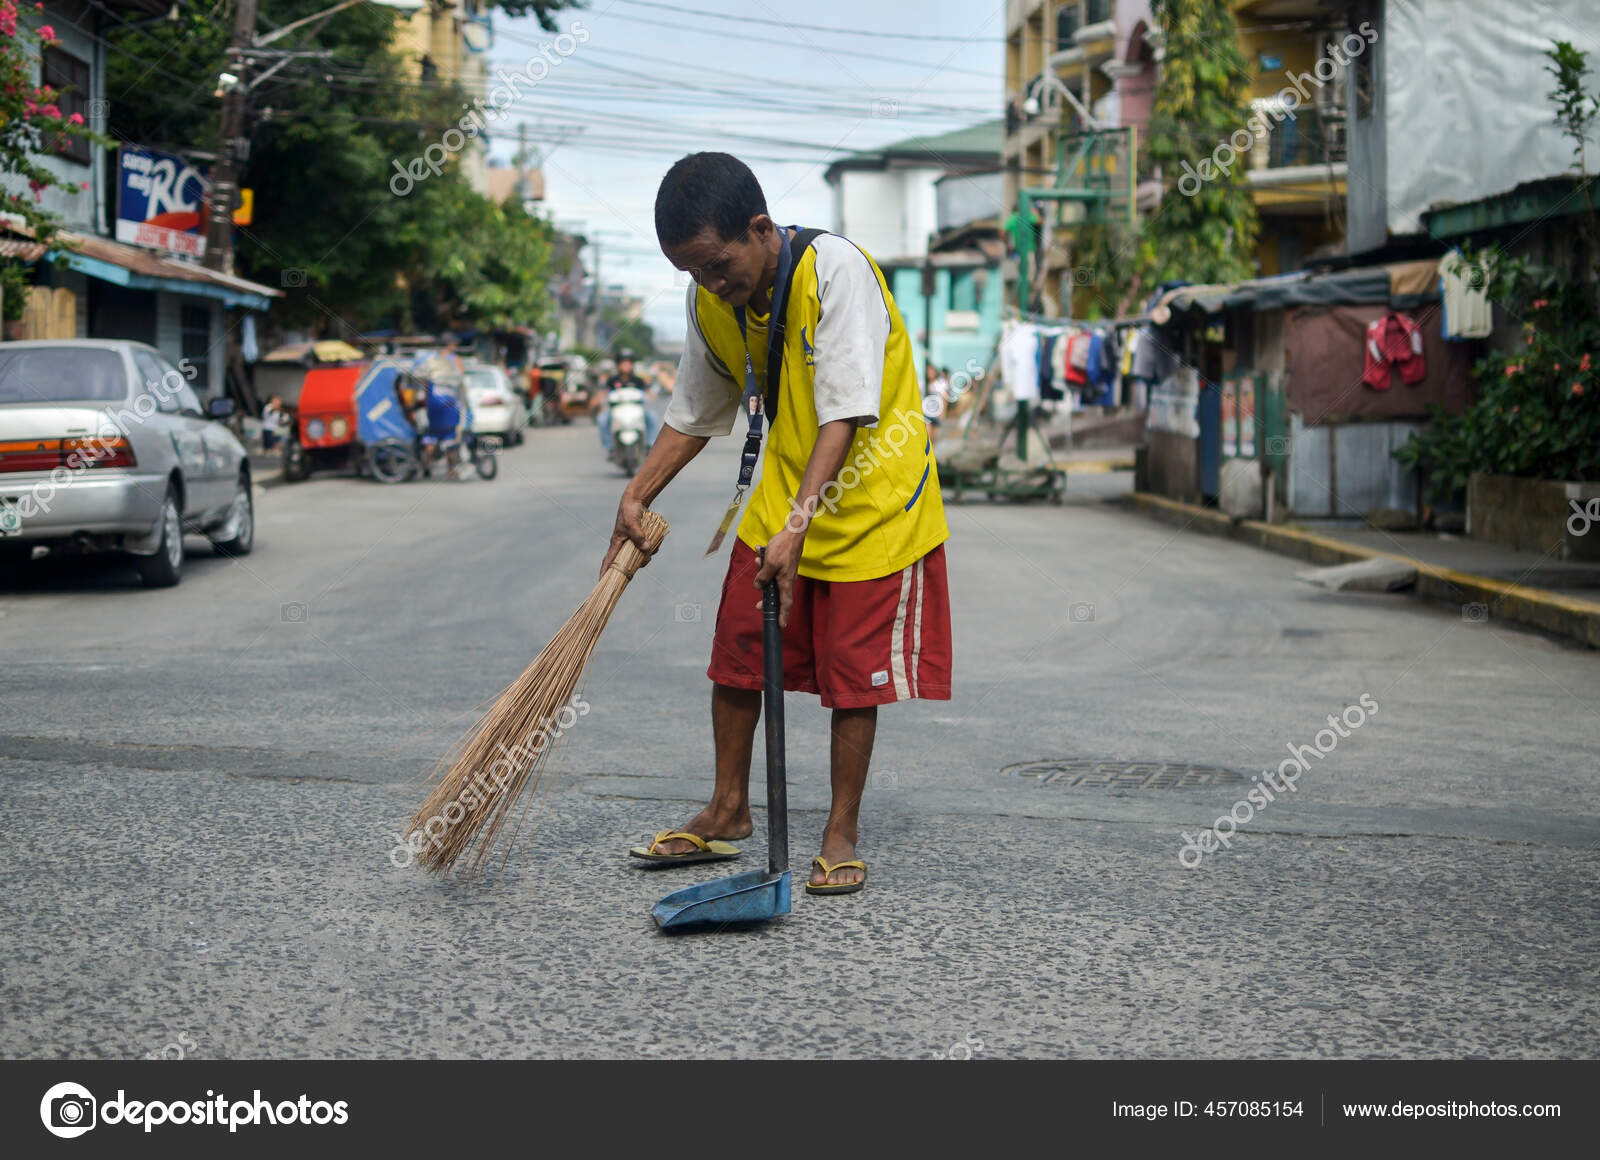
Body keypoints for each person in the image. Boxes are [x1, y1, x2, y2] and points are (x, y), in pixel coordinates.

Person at [602, 152, 951, 895]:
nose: (709, 283)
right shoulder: (711, 302)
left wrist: (799, 524)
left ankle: (840, 831)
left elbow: (845, 412)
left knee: (852, 679)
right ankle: (729, 809)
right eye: (692, 272)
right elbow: (696, 412)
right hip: (787, 493)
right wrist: (637, 494)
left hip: (871, 501)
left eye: (717, 265)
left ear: (761, 229)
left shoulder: (837, 272)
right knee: (737, 654)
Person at [594, 348, 660, 453]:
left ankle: (650, 444)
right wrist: (598, 402)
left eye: (629, 363)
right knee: (602, 419)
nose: (626, 366)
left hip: (636, 410)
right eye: (623, 363)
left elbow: (649, 393)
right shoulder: (612, 380)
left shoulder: (638, 380)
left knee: (652, 416)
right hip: (616, 411)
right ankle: (610, 447)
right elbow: (603, 393)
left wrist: (652, 395)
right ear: (618, 365)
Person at [418, 379, 467, 479]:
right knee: (450, 446)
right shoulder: (452, 387)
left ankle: (427, 466)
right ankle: (451, 469)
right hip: (449, 424)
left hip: (435, 425)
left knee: (430, 445)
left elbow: (425, 401)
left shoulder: (431, 389)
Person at [922, 363, 951, 443]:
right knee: (928, 437)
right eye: (928, 371)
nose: (930, 373)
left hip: (937, 414)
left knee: (934, 439)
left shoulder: (940, 384)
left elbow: (944, 399)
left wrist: (943, 414)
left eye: (931, 371)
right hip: (926, 413)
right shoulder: (923, 384)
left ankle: (932, 450)